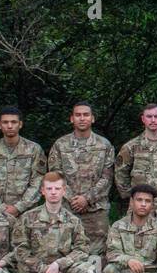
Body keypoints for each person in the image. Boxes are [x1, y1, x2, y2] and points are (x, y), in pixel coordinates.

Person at [12, 171, 98, 273]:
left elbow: (83, 249)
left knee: (91, 271)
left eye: (57, 188)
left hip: (66, 269)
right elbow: (20, 250)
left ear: (64, 191)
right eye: (49, 188)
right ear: (42, 191)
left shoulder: (73, 220)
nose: (53, 192)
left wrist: (59, 264)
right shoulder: (28, 218)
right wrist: (44, 269)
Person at [46, 101, 115, 258]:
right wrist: (73, 199)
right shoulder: (60, 145)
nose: (82, 118)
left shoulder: (104, 145)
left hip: (96, 210)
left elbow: (107, 177)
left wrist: (87, 198)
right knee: (64, 250)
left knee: (96, 254)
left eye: (86, 115)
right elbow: (55, 177)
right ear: (72, 119)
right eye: (78, 115)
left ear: (93, 118)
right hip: (67, 208)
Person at [114, 103, 157, 241]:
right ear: (143, 119)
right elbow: (120, 173)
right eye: (149, 116)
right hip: (139, 205)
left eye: (156, 116)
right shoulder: (131, 146)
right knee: (136, 243)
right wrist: (131, 196)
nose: (153, 120)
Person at [0, 106, 46, 221]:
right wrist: (0, 207)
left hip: (27, 212)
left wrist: (18, 207)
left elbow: (38, 181)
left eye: (13, 122)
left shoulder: (34, 149)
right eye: (5, 122)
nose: (9, 126)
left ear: (20, 124)